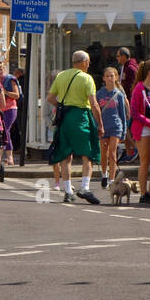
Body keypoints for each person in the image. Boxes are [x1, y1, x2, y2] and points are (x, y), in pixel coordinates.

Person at [46, 50, 103, 205]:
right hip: (81, 118)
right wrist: (100, 124)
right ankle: (84, 188)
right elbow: (94, 104)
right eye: (88, 61)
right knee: (88, 154)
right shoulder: (86, 78)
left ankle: (68, 191)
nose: (89, 64)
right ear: (84, 62)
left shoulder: (61, 76)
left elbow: (50, 98)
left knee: (66, 156)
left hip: (65, 119)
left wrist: (62, 106)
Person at [130, 59, 150, 205]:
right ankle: (143, 194)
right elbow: (134, 113)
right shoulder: (139, 88)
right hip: (143, 127)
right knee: (145, 161)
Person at [95, 67, 130, 189]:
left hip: (116, 126)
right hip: (104, 127)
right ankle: (104, 175)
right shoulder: (99, 94)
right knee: (103, 153)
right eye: (107, 76)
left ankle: (111, 179)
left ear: (116, 78)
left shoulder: (119, 95)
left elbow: (122, 114)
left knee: (112, 152)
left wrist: (124, 131)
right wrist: (97, 126)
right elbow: (96, 112)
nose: (110, 78)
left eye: (112, 76)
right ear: (103, 78)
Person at [0, 61, 19, 167]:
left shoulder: (10, 79)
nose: (0, 71)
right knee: (5, 132)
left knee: (4, 131)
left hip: (10, 109)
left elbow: (17, 95)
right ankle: (10, 158)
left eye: (1, 69)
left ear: (5, 69)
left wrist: (5, 92)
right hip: (0, 110)